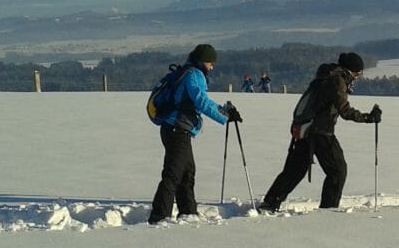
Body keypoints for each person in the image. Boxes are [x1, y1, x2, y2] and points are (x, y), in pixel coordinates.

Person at [259, 52, 381, 212]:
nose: (358, 77)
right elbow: (345, 111)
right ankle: (328, 212)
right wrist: (368, 118)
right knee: (337, 171)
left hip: (306, 130)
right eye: (358, 73)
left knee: (295, 171)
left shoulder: (326, 76)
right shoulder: (337, 81)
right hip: (321, 132)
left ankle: (270, 203)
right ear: (351, 71)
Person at [148, 43, 242, 224]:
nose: (212, 66)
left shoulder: (187, 71)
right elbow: (201, 101)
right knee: (173, 173)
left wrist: (224, 112)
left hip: (175, 129)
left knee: (187, 172)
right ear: (201, 61)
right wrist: (224, 116)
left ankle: (188, 212)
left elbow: (200, 100)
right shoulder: (194, 75)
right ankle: (159, 216)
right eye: (210, 62)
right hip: (177, 129)